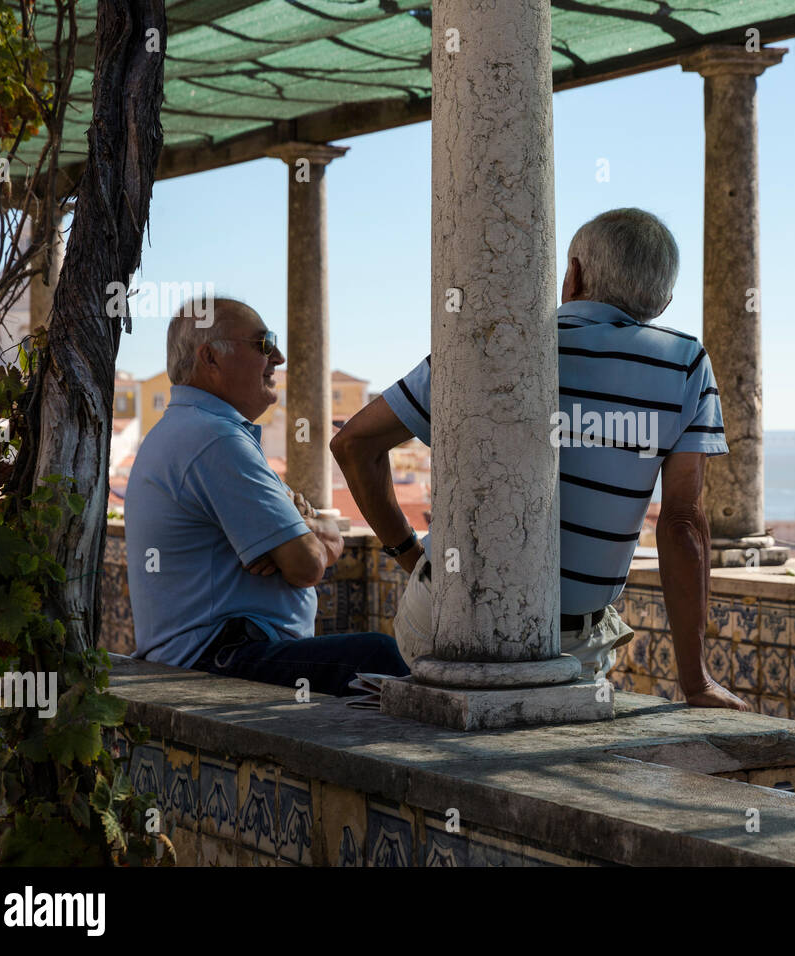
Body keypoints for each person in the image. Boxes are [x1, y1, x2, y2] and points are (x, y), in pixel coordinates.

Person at [332, 208, 749, 710]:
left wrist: (407, 553)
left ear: (572, 274)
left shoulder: (488, 342)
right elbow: (682, 524)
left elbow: (352, 443)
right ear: (663, 300)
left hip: (444, 619)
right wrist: (696, 681)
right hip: (574, 642)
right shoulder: (685, 363)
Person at [124, 297, 409, 696]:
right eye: (263, 343)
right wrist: (301, 539)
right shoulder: (215, 439)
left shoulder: (194, 430)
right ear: (210, 358)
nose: (278, 356)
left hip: (212, 652)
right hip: (216, 659)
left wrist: (303, 530)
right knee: (377, 659)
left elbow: (327, 542)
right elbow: (308, 565)